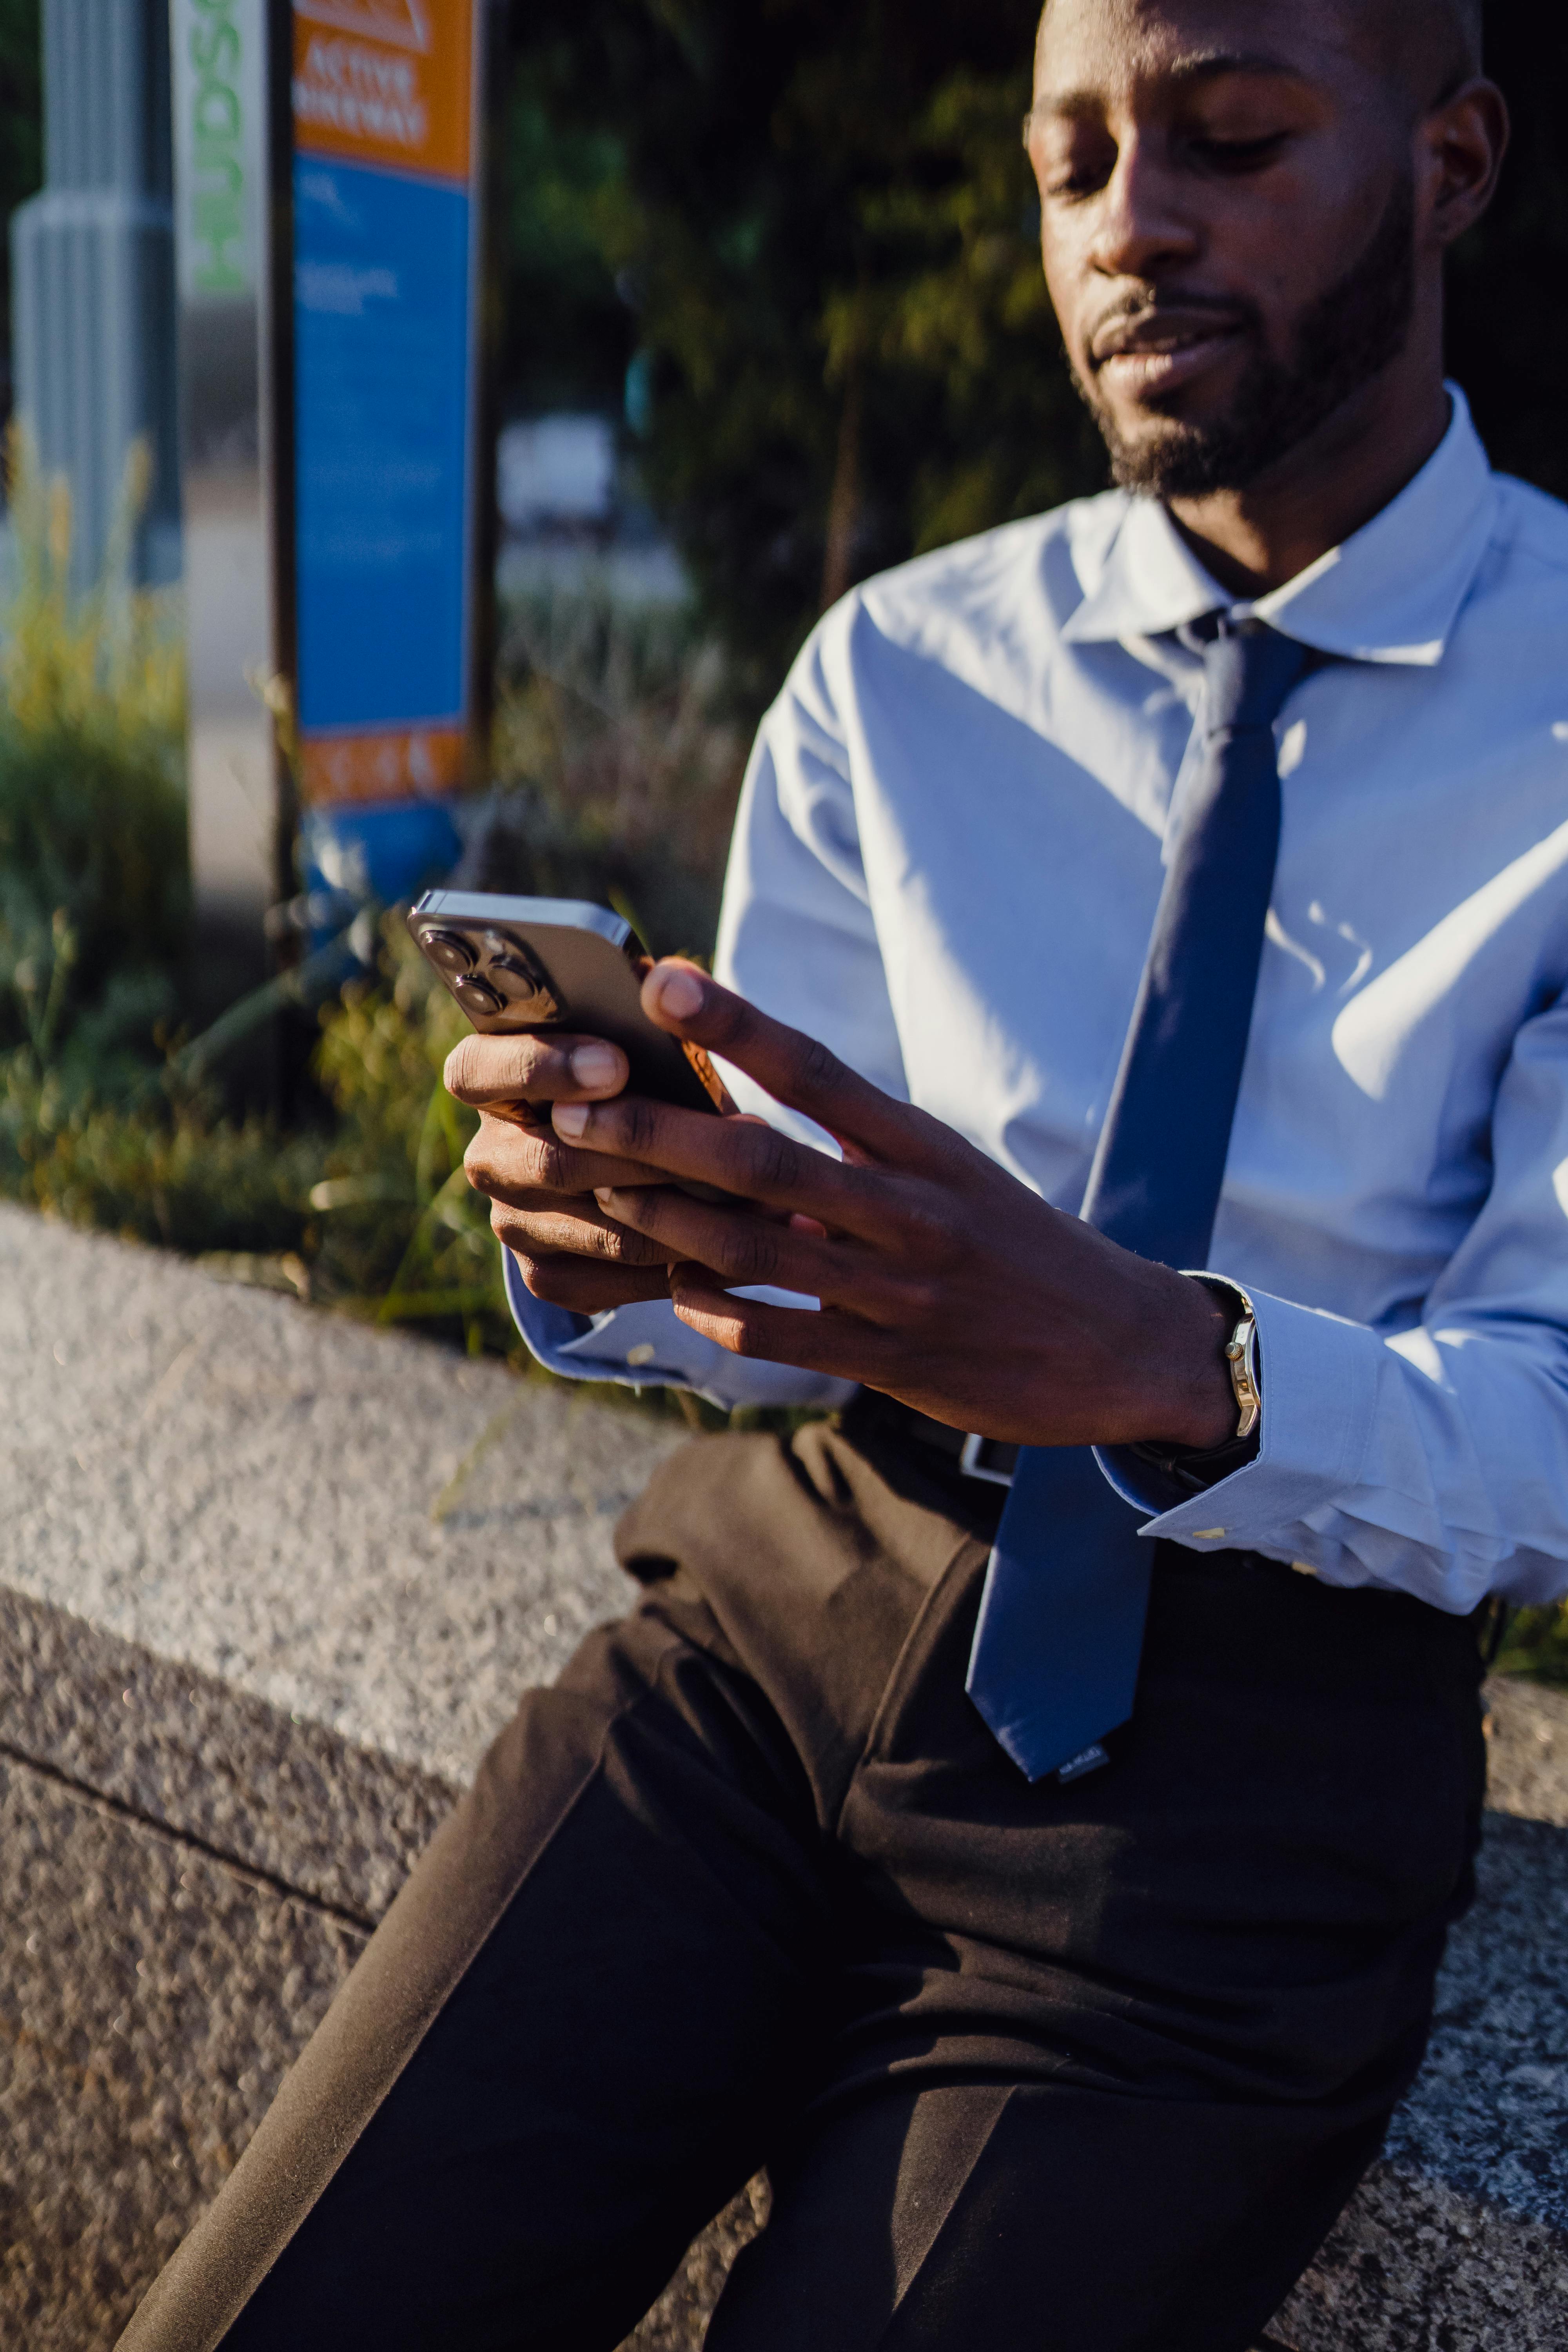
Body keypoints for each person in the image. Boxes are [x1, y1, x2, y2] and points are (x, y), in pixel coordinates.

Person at [123, 3, 1553, 2347]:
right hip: (762, 1648)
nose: (1128, 229)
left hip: (1227, 1802)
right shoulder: (906, 671)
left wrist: (1172, 1365)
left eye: (1231, 137)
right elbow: (777, 1281)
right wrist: (616, 1230)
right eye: (1073, 158)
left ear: (1456, 160)